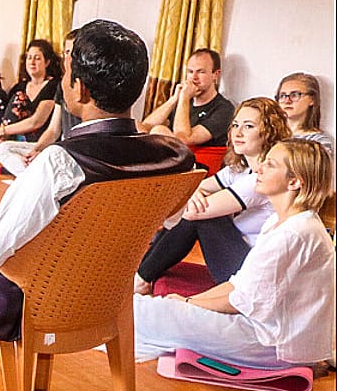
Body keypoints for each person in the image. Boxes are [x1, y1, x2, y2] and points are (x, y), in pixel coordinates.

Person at [0, 19, 196, 366]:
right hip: (107, 296)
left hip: (43, 302)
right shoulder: (173, 157)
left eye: (66, 73)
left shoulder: (61, 163)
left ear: (79, 89)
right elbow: (170, 218)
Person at [132, 139, 335, 368]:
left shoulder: (295, 232)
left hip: (270, 343)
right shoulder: (282, 222)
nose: (258, 168)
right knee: (149, 310)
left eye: (270, 164)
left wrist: (187, 303)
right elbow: (237, 284)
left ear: (295, 181)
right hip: (265, 331)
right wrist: (188, 302)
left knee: (139, 312)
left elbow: (241, 301)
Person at [134, 97, 292, 291]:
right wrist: (193, 193)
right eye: (235, 125)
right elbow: (191, 187)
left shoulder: (262, 177)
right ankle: (141, 275)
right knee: (197, 210)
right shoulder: (239, 169)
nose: (238, 132)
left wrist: (192, 195)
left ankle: (141, 278)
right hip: (237, 255)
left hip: (254, 273)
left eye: (248, 126)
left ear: (268, 132)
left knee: (202, 217)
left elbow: (195, 211)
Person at [0, 30, 80, 176]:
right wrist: (37, 150)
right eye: (66, 53)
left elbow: (36, 121)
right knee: (4, 149)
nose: (68, 58)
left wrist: (2, 131)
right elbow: (53, 130)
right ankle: (30, 175)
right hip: (52, 147)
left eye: (73, 53)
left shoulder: (55, 84)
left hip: (70, 152)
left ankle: (33, 176)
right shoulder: (62, 85)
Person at [0, 38, 62, 159]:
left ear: (47, 62)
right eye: (29, 58)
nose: (32, 62)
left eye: (37, 58)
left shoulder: (53, 86)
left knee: (19, 98)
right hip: (9, 133)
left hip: (34, 137)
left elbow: (36, 121)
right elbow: (4, 111)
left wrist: (2, 131)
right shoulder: (21, 85)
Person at [139, 48, 235, 147]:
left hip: (199, 159)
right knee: (147, 128)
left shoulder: (225, 108)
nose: (194, 77)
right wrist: (174, 99)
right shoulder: (183, 102)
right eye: (190, 72)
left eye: (201, 72)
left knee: (159, 130)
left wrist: (184, 98)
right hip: (174, 156)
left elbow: (184, 139)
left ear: (215, 74)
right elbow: (144, 127)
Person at [276, 72, 333, 154]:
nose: (287, 101)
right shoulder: (270, 135)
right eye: (282, 96)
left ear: (312, 99)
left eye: (295, 95)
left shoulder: (319, 142)